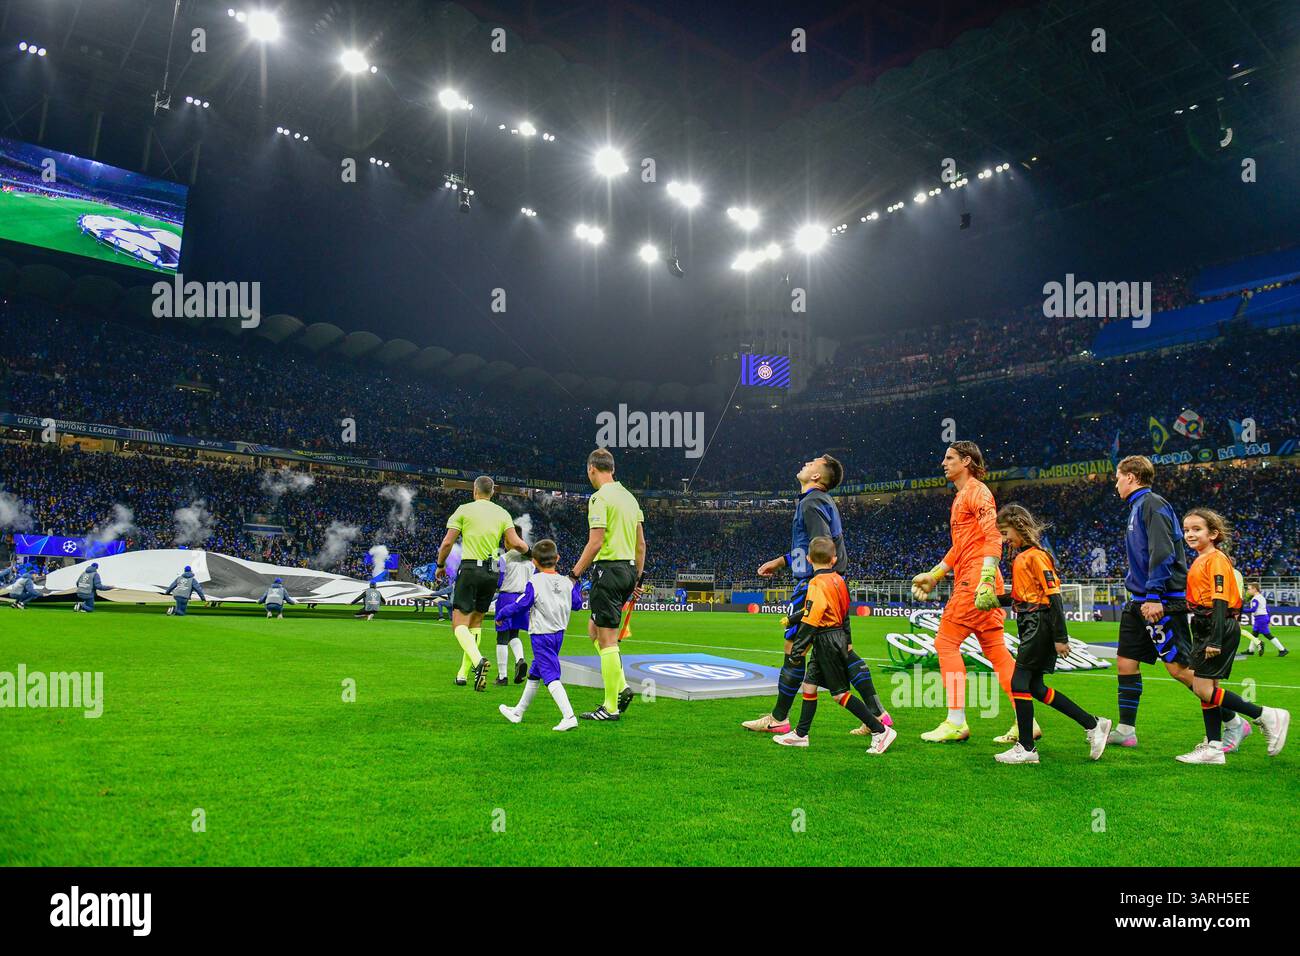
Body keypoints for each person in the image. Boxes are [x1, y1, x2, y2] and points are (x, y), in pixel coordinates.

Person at [1108, 456, 1251, 751]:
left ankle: (1235, 721)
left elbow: (1162, 552)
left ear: (1132, 477)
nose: (1116, 482)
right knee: (1125, 662)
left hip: (1158, 600)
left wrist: (1153, 594)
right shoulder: (1138, 507)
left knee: (1179, 669)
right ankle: (1126, 729)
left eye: (1118, 476)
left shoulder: (1153, 505)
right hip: (1138, 600)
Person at [743, 454, 888, 736]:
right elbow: (815, 546)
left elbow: (822, 548)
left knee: (794, 651)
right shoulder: (817, 502)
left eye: (813, 463)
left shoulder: (811, 502)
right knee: (841, 649)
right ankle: (878, 713)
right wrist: (782, 560)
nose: (807, 463)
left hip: (814, 583)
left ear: (817, 477)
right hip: (828, 582)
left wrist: (814, 584)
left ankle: (778, 719)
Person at [910, 442, 1017, 742]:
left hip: (975, 579)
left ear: (966, 461)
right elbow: (962, 546)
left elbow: (993, 534)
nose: (943, 463)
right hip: (977, 577)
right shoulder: (961, 497)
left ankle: (956, 721)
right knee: (997, 651)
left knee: (945, 642)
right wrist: (935, 575)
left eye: (949, 458)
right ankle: (1027, 720)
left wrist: (983, 578)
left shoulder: (977, 492)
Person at [992, 505, 1111, 764]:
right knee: (1034, 687)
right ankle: (1092, 724)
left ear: (1018, 526)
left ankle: (1026, 748)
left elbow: (1053, 596)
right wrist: (994, 599)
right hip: (1030, 622)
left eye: (1005, 532)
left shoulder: (1037, 556)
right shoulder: (1021, 557)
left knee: (1018, 683)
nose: (1004, 539)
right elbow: (1021, 595)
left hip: (1040, 624)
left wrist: (1061, 637)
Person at [1176, 509, 1290, 763]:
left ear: (1213, 533)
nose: (1190, 534)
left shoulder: (1215, 558)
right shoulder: (1200, 559)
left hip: (1217, 626)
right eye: (1186, 530)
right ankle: (1214, 747)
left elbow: (1219, 601)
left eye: (1197, 529)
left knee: (1202, 688)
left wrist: (1215, 639)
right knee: (1208, 688)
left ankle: (1265, 715)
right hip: (1206, 626)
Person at [773, 536, 896, 755]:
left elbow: (812, 618)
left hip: (826, 639)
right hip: (836, 636)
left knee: (839, 695)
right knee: (809, 687)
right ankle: (801, 735)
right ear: (834, 558)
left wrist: (797, 650)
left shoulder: (815, 583)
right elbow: (840, 611)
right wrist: (847, 639)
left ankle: (880, 730)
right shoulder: (839, 580)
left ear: (809, 559)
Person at [567, 448, 645, 722]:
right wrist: (637, 578)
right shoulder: (630, 498)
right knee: (594, 631)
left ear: (592, 469)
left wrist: (574, 575)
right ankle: (621, 686)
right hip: (626, 570)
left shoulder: (599, 498)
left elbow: (596, 542)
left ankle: (610, 706)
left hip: (608, 570)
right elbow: (641, 545)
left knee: (608, 640)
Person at [435, 476, 529, 692]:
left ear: (474, 491)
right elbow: (515, 544)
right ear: (492, 492)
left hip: (470, 568)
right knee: (475, 623)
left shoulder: (464, 510)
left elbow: (448, 542)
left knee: (459, 623)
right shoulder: (502, 513)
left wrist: (440, 564)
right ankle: (462, 675)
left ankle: (478, 662)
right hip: (492, 572)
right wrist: (534, 554)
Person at [497, 539, 585, 731]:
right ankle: (518, 712)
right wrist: (575, 583)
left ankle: (569, 716)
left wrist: (502, 614)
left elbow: (522, 604)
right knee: (535, 674)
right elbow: (578, 604)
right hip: (558, 635)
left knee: (551, 677)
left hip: (541, 635)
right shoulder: (565, 582)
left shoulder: (534, 582)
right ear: (557, 558)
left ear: (534, 562)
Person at [494, 527, 533, 685]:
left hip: (506, 598)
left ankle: (502, 676)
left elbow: (498, 581)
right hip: (523, 599)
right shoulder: (530, 560)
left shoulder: (502, 558)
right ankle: (520, 659)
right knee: (514, 635)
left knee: (502, 637)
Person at [1246, 582, 1289, 657]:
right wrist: (1268, 619)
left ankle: (1283, 650)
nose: (1248, 591)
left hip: (1260, 619)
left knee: (1268, 635)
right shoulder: (1261, 597)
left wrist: (1241, 610)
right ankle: (1250, 650)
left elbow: (1253, 609)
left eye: (1249, 589)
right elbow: (1267, 609)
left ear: (1255, 589)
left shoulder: (1255, 599)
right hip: (1262, 618)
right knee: (1254, 635)